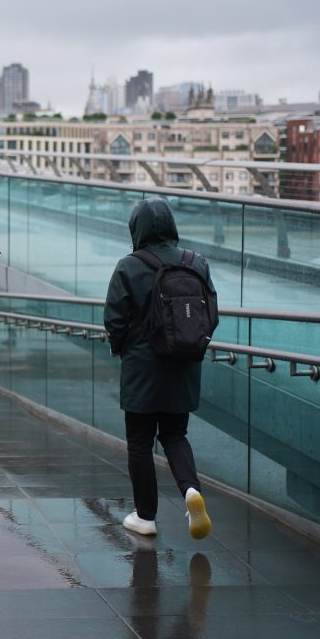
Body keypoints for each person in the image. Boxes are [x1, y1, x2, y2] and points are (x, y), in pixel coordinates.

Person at [104, 197, 216, 540]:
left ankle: (146, 516)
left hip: (141, 367)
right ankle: (191, 492)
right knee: (174, 434)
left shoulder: (129, 266)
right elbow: (210, 313)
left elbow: (114, 320)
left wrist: (121, 347)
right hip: (183, 365)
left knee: (140, 441)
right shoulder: (196, 262)